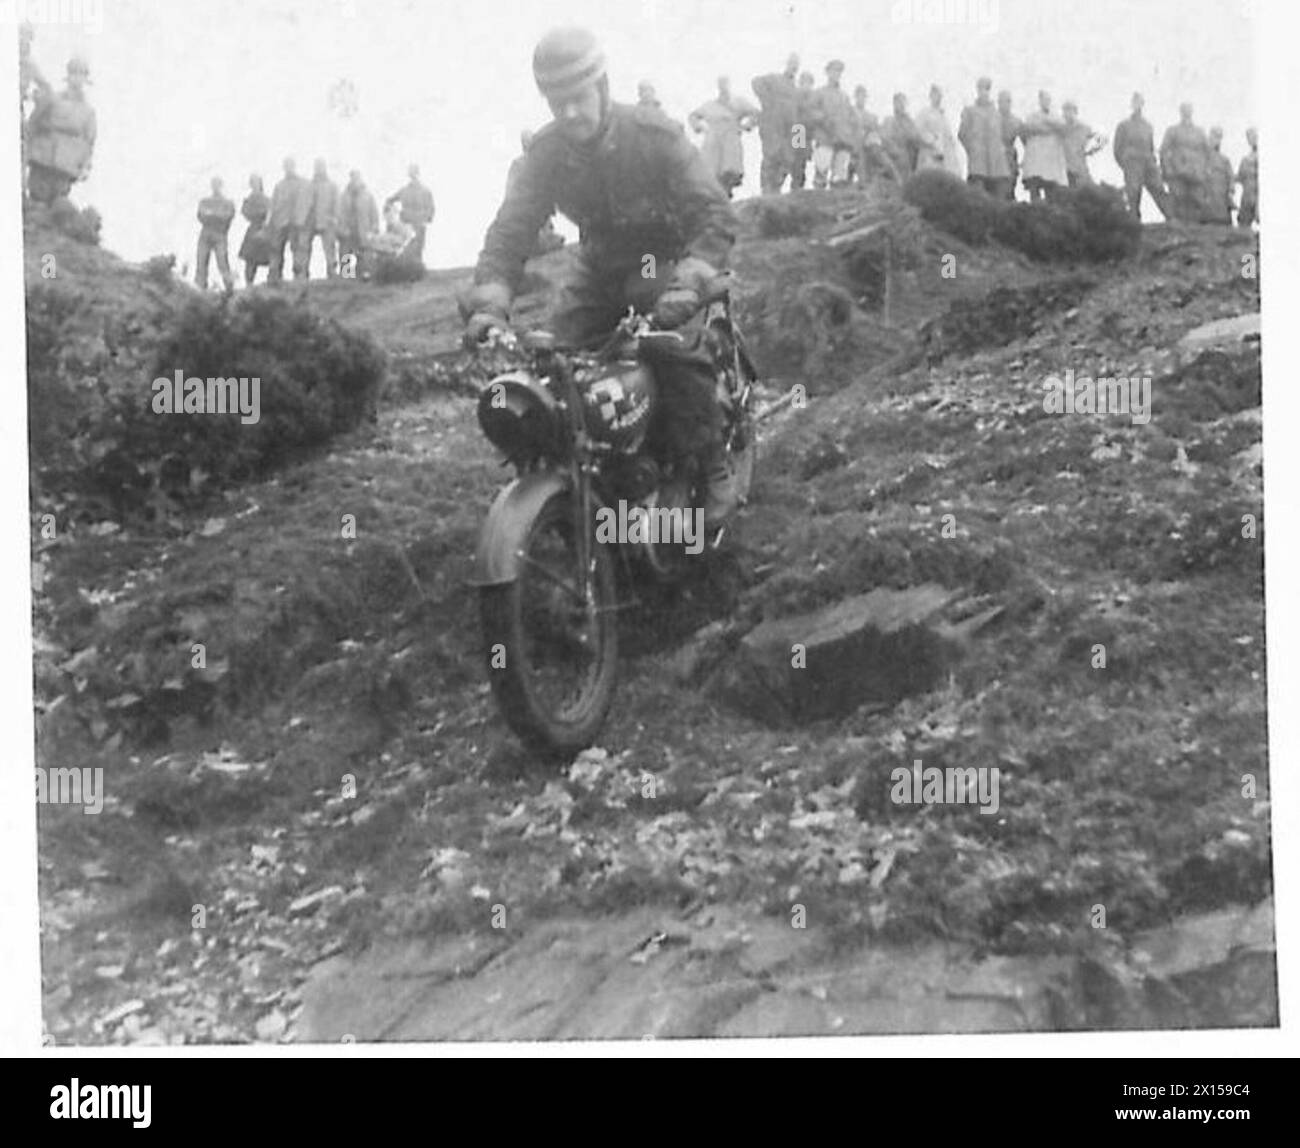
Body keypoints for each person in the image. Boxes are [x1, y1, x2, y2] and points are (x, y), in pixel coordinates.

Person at [461, 26, 741, 523]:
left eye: (578, 98)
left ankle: (709, 461)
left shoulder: (654, 134)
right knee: (549, 362)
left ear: (602, 87)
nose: (569, 113)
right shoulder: (545, 155)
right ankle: (580, 477)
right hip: (599, 268)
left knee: (665, 343)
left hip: (662, 260)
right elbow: (510, 232)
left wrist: (690, 280)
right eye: (557, 102)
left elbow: (713, 212)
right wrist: (489, 304)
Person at [25, 55, 96, 205]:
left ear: (85, 79)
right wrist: (27, 150)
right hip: (43, 160)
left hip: (65, 167)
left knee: (57, 209)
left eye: (81, 74)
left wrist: (84, 167)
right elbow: (33, 124)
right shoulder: (52, 99)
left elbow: (89, 142)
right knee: (36, 204)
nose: (77, 78)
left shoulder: (88, 111)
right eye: (74, 73)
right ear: (68, 76)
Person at [689, 76, 759, 197]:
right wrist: (700, 127)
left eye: (725, 83)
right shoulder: (709, 105)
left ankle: (726, 194)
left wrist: (746, 126)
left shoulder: (738, 102)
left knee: (729, 170)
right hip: (713, 141)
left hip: (730, 139)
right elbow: (693, 116)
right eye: (721, 84)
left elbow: (756, 114)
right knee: (711, 172)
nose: (723, 86)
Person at [1113, 92, 1169, 220]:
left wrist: (1152, 162)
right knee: (1133, 192)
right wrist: (1126, 163)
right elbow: (1117, 149)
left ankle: (1171, 217)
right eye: (1134, 102)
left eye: (1139, 102)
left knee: (1158, 187)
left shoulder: (1148, 126)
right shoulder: (1124, 125)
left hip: (1148, 162)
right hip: (1132, 162)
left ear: (1142, 105)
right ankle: (1134, 220)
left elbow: (1150, 146)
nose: (1137, 105)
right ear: (1131, 105)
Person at [751, 52, 801, 194]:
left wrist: (799, 143)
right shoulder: (775, 79)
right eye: (792, 64)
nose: (793, 68)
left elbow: (798, 117)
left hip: (789, 129)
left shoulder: (796, 90)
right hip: (772, 125)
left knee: (787, 159)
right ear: (787, 64)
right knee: (771, 156)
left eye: (796, 66)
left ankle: (776, 189)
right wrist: (768, 102)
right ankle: (766, 190)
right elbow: (756, 82)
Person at [958, 77, 1010, 197]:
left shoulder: (997, 113)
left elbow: (1003, 135)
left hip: (997, 165)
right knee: (979, 197)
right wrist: (972, 149)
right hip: (978, 164)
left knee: (999, 199)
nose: (984, 92)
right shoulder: (969, 111)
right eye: (981, 88)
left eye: (987, 89)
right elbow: (962, 134)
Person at [810, 60, 857, 189]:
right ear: (827, 72)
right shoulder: (819, 93)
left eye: (839, 71)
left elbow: (851, 119)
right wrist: (824, 119)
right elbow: (810, 112)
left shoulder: (844, 97)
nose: (836, 74)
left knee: (839, 179)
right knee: (821, 175)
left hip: (842, 142)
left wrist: (850, 139)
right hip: (825, 140)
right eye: (833, 71)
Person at [1159, 103, 1208, 222]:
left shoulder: (1199, 132)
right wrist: (1168, 169)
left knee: (1196, 202)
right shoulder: (1172, 130)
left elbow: (1207, 152)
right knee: (1177, 201)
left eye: (1189, 110)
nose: (1187, 113)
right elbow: (1164, 151)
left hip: (1196, 173)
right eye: (1184, 110)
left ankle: (1194, 231)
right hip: (1178, 171)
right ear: (1180, 112)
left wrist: (1204, 170)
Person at [1019, 90, 1068, 201]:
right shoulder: (1032, 116)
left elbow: (1062, 128)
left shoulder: (1057, 117)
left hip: (1051, 162)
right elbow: (1027, 128)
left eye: (1048, 100)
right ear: (1039, 101)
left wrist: (1048, 123)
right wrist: (1046, 128)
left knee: (1051, 191)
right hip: (1035, 161)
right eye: (1044, 99)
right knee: (1034, 189)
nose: (1046, 102)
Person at [295, 158, 340, 278]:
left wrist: (335, 218)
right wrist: (300, 219)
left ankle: (336, 272)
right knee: (303, 247)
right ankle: (303, 272)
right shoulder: (307, 185)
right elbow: (301, 202)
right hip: (309, 220)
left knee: (331, 247)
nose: (319, 169)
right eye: (317, 167)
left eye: (321, 166)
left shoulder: (332, 185)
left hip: (326, 220)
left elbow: (337, 203)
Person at [267, 157, 308, 283]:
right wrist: (270, 221)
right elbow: (273, 204)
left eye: (290, 166)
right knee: (277, 249)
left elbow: (306, 202)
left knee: (297, 249)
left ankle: (299, 275)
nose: (288, 169)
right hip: (281, 222)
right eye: (286, 166)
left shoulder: (303, 183)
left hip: (296, 222)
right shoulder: (279, 185)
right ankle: (275, 276)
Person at [385, 164, 435, 264]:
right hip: (409, 224)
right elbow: (390, 200)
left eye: (414, 174)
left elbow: (431, 208)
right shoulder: (406, 190)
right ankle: (413, 270)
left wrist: (427, 218)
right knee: (412, 249)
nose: (413, 177)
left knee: (417, 249)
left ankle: (416, 270)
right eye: (412, 174)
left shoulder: (424, 190)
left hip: (417, 224)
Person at [850, 85, 898, 186]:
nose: (861, 99)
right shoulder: (850, 112)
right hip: (853, 146)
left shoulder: (869, 115)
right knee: (858, 162)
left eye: (863, 97)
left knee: (878, 157)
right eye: (859, 96)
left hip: (868, 146)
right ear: (855, 97)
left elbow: (875, 130)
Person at [195, 176, 236, 291]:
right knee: (201, 263)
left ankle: (229, 289)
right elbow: (201, 215)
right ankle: (200, 289)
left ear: (221, 186)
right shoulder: (205, 201)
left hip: (220, 235)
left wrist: (212, 214)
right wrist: (217, 215)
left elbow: (227, 217)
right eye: (214, 184)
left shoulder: (227, 202)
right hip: (206, 234)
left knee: (222, 263)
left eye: (217, 184)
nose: (216, 187)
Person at [339, 168, 380, 278]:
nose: (355, 180)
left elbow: (374, 213)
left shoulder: (368, 195)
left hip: (364, 229)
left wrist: (375, 227)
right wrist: (342, 228)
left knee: (365, 252)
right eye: (353, 177)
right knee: (347, 252)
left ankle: (366, 273)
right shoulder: (344, 196)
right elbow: (340, 213)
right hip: (349, 230)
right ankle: (347, 275)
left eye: (357, 178)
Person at [915, 84, 962, 178]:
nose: (939, 98)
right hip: (929, 157)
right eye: (936, 95)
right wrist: (932, 141)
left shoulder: (944, 116)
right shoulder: (924, 113)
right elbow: (919, 131)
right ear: (931, 96)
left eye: (940, 96)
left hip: (945, 159)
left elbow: (949, 136)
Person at [236, 175, 271, 285]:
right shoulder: (249, 199)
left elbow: (270, 212)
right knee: (250, 259)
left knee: (269, 257)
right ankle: (249, 283)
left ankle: (271, 281)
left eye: (256, 183)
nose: (255, 185)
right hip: (253, 228)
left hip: (264, 228)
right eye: (253, 183)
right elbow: (245, 212)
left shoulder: (267, 199)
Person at [1061, 99, 1103, 187]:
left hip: (1080, 169)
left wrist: (1091, 150)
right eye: (1065, 111)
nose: (1067, 114)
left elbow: (1101, 139)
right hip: (1065, 170)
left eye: (1069, 111)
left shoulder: (1084, 128)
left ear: (1075, 112)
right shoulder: (1061, 129)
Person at [881, 91, 922, 179]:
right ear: (894, 104)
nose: (902, 105)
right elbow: (884, 139)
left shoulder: (910, 122)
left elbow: (916, 138)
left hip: (907, 162)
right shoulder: (888, 121)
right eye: (899, 102)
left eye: (903, 102)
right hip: (892, 161)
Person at [1201, 126, 1234, 225]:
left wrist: (1231, 192)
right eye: (1214, 137)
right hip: (1206, 198)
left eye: (1219, 138)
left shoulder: (1224, 160)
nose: (1216, 140)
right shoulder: (1201, 158)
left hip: (1221, 197)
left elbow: (1231, 177)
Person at [790, 70, 817, 189]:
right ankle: (797, 185)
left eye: (809, 83)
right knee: (798, 160)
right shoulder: (797, 95)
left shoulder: (812, 97)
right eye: (804, 82)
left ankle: (799, 184)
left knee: (803, 160)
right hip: (798, 129)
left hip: (807, 132)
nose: (807, 86)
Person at [997, 90, 1022, 200]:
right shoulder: (992, 118)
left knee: (1010, 189)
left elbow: (1026, 140)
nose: (1004, 104)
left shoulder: (1016, 121)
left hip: (1010, 157)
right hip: (994, 158)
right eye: (1002, 101)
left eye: (1007, 101)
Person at [1236, 127, 1258, 230]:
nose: (1251, 139)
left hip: (1260, 196)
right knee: (1243, 226)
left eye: (1254, 136)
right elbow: (1238, 177)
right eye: (1249, 137)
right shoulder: (1245, 160)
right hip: (1247, 197)